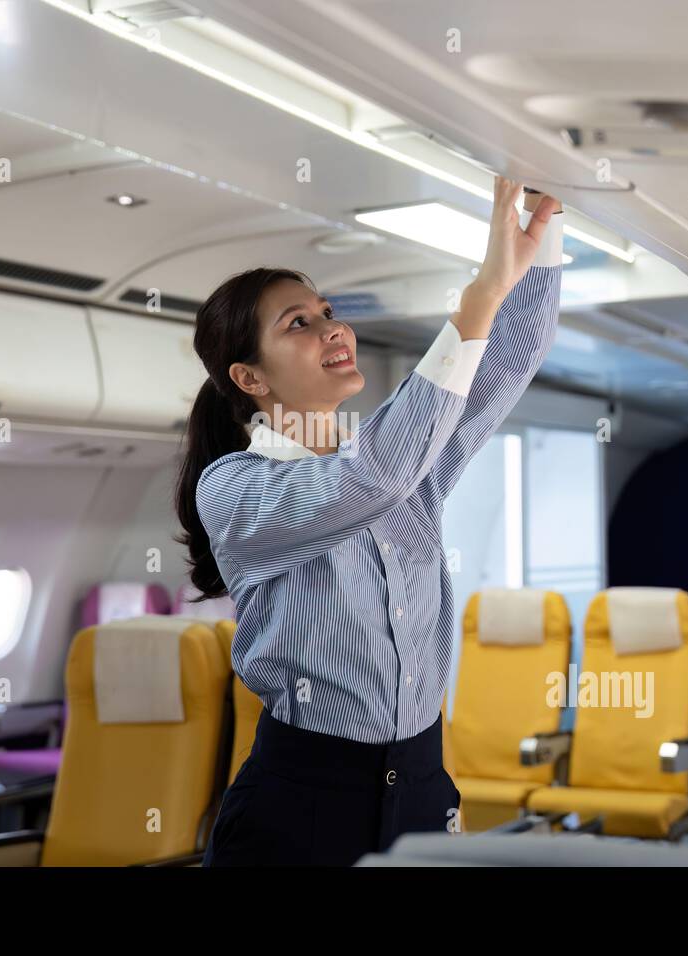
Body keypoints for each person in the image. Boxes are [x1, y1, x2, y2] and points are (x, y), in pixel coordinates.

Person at [173, 177, 563, 865]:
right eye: (298, 323)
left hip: (421, 783)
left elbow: (506, 363)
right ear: (250, 379)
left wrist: (543, 219)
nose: (333, 328)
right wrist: (478, 297)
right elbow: (366, 481)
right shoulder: (234, 489)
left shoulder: (405, 472)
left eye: (327, 312)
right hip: (303, 800)